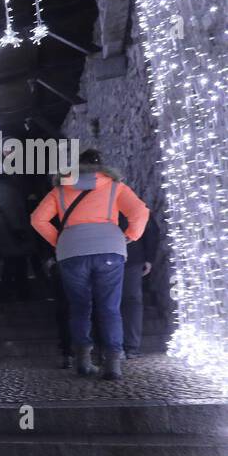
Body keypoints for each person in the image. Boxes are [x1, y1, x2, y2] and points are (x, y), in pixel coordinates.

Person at [30, 149, 149, 380]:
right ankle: (113, 363)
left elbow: (37, 219)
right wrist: (130, 235)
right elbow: (140, 212)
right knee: (110, 308)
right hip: (109, 250)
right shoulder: (116, 187)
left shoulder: (60, 189)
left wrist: (60, 240)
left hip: (72, 251)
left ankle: (83, 361)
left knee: (79, 307)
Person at [120, 214, 160, 358]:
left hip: (106, 254)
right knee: (131, 301)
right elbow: (150, 227)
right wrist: (149, 257)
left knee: (108, 301)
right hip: (132, 255)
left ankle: (113, 346)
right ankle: (130, 346)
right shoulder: (127, 197)